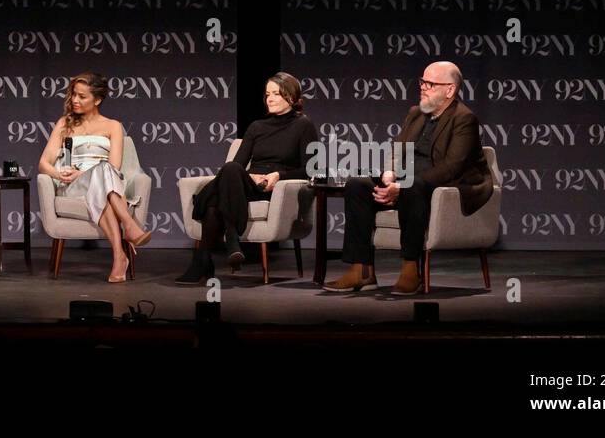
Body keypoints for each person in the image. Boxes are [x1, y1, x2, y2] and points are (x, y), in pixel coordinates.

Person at [324, 61, 494, 295]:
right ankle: (361, 270)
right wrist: (389, 173)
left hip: (445, 186)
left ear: (450, 90)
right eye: (422, 81)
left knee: (414, 185)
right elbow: (397, 149)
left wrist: (402, 187)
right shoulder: (416, 113)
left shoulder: (464, 118)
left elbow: (451, 167)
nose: (423, 87)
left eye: (431, 84)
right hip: (408, 181)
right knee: (357, 185)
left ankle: (410, 270)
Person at [177, 71, 319, 284]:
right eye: (267, 94)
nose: (269, 99)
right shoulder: (257, 126)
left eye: (276, 94)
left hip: (272, 187)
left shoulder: (303, 125)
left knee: (211, 201)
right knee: (232, 168)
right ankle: (230, 239)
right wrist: (250, 177)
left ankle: (203, 258)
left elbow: (310, 170)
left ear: (290, 96)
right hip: (247, 184)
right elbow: (238, 165)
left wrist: (279, 176)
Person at [38, 72, 151, 282]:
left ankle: (119, 256)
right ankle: (129, 224)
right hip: (73, 186)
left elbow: (114, 166)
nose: (75, 100)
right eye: (74, 95)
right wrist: (59, 174)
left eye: (82, 96)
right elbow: (44, 163)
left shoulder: (113, 126)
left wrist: (86, 173)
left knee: (104, 175)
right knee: (104, 176)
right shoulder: (64, 124)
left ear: (97, 100)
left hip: (105, 181)